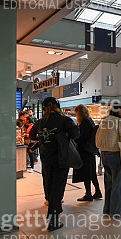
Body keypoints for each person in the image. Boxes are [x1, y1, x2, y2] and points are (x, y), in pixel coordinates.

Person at [30, 97, 79, 231]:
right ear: (57, 106)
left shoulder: (40, 121)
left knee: (49, 183)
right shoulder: (64, 120)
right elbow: (76, 134)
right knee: (58, 186)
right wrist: (63, 136)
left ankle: (55, 208)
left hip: (45, 156)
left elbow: (32, 135)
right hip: (61, 156)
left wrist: (44, 138)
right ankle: (53, 220)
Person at [96, 103, 121, 217]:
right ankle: (116, 211)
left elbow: (97, 140)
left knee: (109, 183)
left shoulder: (104, 121)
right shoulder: (120, 122)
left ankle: (107, 209)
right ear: (116, 111)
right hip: (116, 154)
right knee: (119, 183)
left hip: (104, 154)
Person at [73, 104, 102, 202]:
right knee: (92, 172)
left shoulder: (85, 122)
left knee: (86, 173)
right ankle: (97, 191)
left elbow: (84, 136)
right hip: (90, 150)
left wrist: (76, 140)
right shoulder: (90, 120)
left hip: (85, 151)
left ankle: (88, 194)